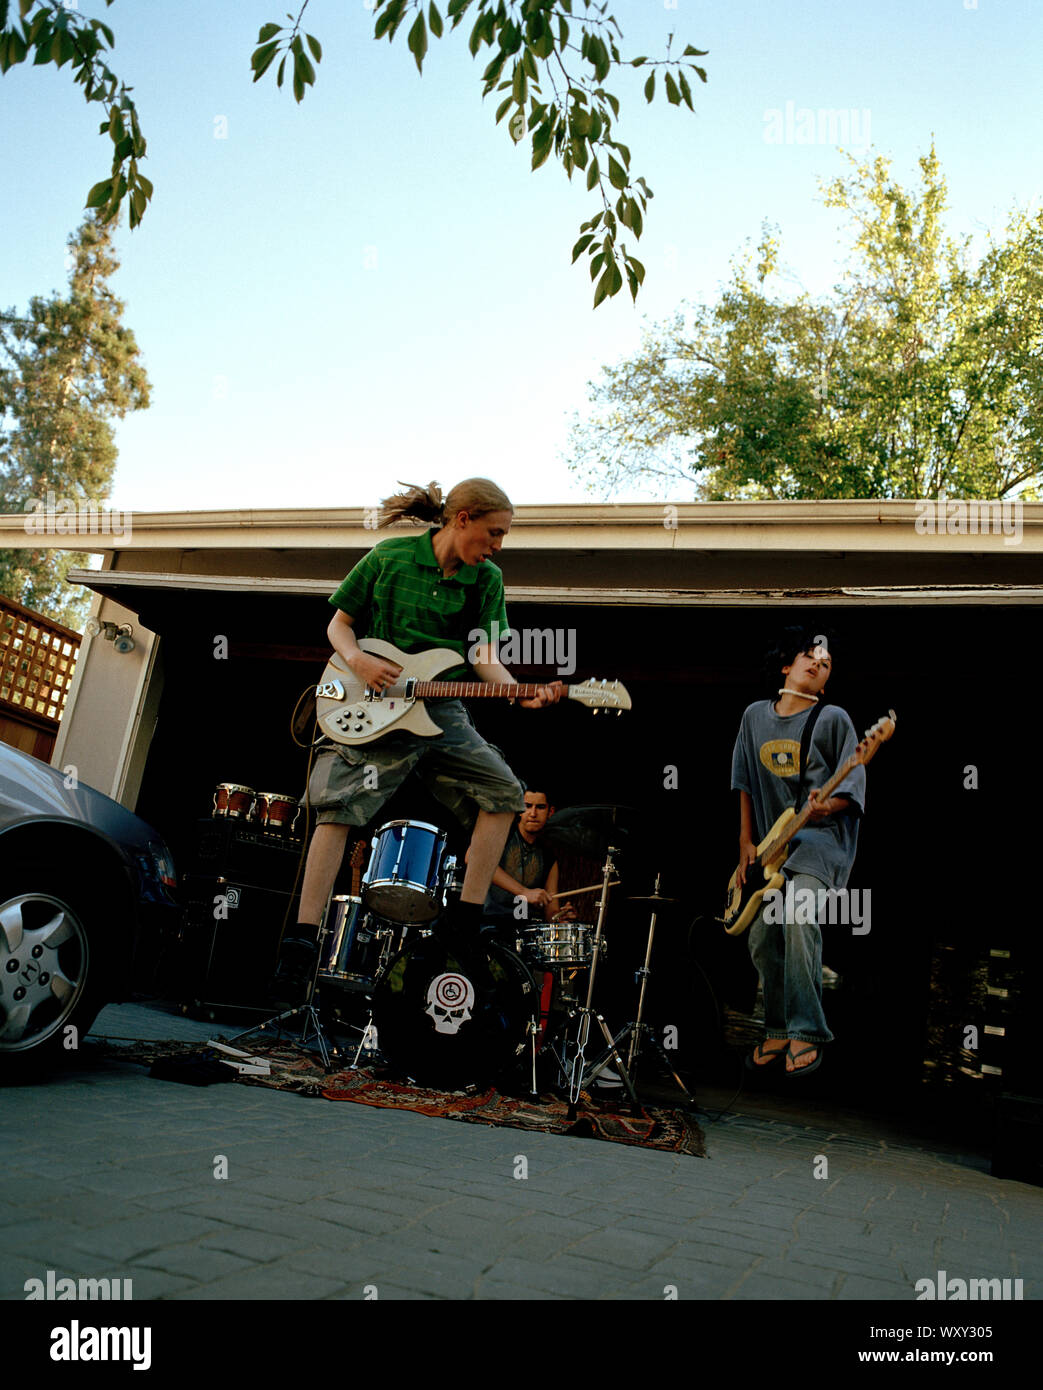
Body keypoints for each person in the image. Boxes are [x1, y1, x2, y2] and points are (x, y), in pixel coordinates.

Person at [270, 479, 562, 1003]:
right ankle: (303, 936)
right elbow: (339, 626)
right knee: (337, 809)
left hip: (439, 707)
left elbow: (482, 659)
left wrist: (520, 693)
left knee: (505, 792)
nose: (498, 546)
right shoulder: (389, 557)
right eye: (494, 533)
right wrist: (358, 659)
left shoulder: (486, 580)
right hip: (373, 700)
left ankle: (465, 923)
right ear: (463, 518)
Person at [731, 628, 865, 1075]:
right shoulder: (754, 716)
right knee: (761, 935)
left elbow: (850, 787)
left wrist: (830, 803)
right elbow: (745, 782)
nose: (817, 664)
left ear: (825, 683)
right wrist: (745, 843)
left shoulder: (833, 719)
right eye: (809, 656)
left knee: (798, 916)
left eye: (825, 663)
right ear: (787, 666)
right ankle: (776, 1028)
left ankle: (808, 1030)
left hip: (821, 843)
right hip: (772, 849)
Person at [482, 787, 576, 926]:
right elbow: (473, 859)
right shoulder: (501, 834)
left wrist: (560, 917)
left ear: (550, 812)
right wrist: (524, 892)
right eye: (527, 806)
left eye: (540, 807)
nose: (533, 813)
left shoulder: (549, 857)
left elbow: (551, 911)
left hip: (527, 932)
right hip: (491, 926)